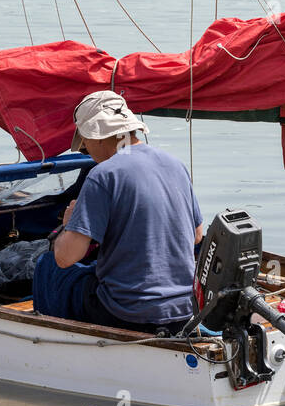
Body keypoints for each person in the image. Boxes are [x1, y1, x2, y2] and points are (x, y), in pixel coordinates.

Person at [32, 91, 203, 332]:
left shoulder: (103, 175)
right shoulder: (175, 164)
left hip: (125, 312)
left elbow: (65, 258)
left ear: (97, 136)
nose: (87, 151)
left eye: (84, 144)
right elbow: (196, 236)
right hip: (184, 308)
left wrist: (69, 225)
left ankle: (50, 344)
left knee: (47, 266)